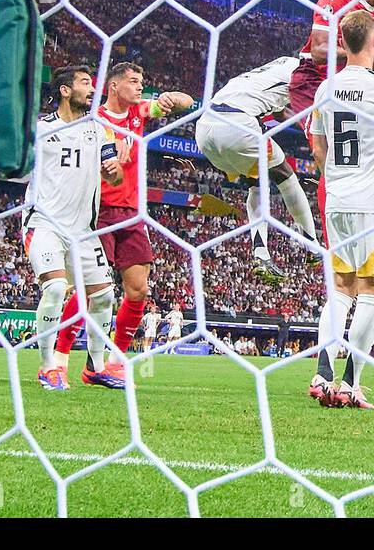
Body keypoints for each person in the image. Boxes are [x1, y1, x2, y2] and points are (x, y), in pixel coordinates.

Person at [53, 62, 192, 379]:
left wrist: (172, 97)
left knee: (138, 290)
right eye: (133, 81)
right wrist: (107, 161)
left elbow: (186, 102)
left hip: (132, 213)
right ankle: (58, 361)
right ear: (113, 86)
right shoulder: (92, 120)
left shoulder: (139, 113)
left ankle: (110, 362)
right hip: (98, 211)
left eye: (142, 81)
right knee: (90, 293)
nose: (140, 86)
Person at [308, 9, 374, 409]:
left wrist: (334, 178)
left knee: (339, 288)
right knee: (370, 291)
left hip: (336, 199)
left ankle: (321, 374)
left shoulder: (325, 90)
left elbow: (318, 148)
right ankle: (350, 384)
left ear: (342, 43)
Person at [23, 66, 124, 391]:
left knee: (105, 297)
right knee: (54, 289)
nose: (92, 89)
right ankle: (47, 366)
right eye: (85, 83)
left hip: (83, 231)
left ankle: (95, 367)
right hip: (45, 224)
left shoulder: (99, 130)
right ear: (65, 90)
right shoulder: (40, 130)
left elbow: (115, 178)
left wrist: (114, 170)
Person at [195, 55, 319, 282]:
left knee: (257, 182)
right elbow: (310, 110)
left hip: (205, 129)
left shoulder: (277, 66)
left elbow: (282, 113)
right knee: (285, 175)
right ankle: (311, 245)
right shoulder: (304, 73)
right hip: (238, 125)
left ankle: (261, 254)